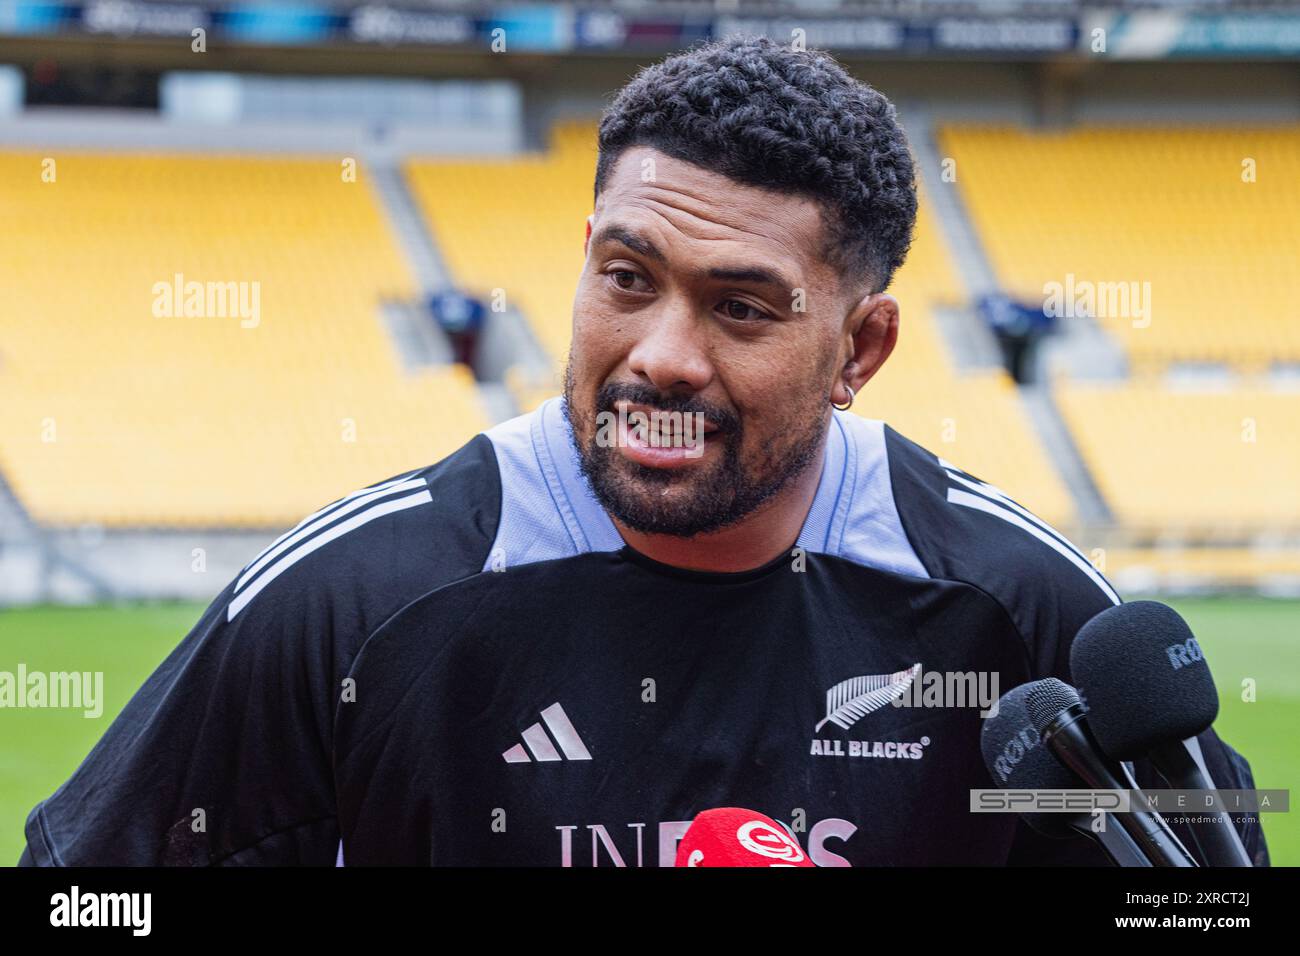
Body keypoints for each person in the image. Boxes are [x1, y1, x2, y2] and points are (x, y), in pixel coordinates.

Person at [20, 36, 1265, 867]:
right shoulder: (357, 601)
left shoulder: (1013, 605)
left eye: (741, 306)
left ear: (862, 348)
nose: (660, 353)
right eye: (626, 278)